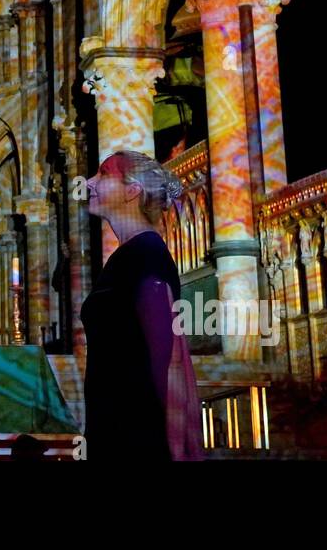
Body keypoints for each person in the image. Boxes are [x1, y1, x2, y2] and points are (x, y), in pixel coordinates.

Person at [80, 151, 204, 461]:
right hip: (114, 433)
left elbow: (172, 360)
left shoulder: (146, 255)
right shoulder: (127, 257)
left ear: (132, 191)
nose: (90, 183)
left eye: (103, 174)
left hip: (135, 440)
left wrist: (178, 449)